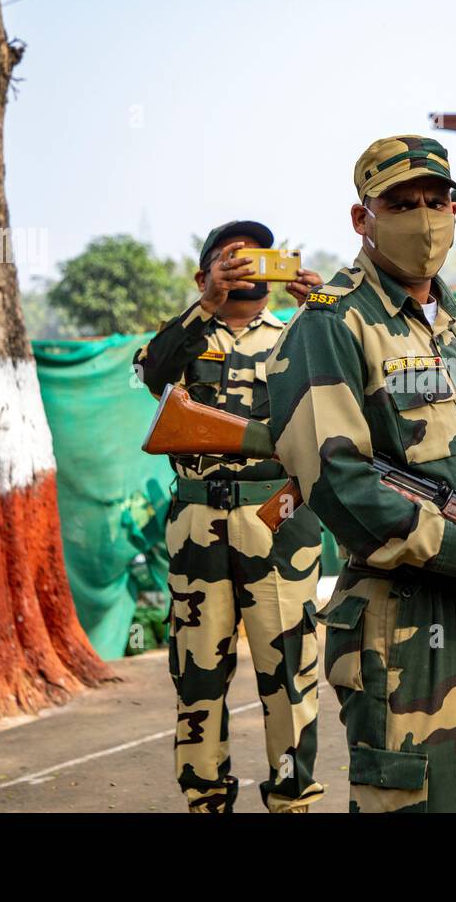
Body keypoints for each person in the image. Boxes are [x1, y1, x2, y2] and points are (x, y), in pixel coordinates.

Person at [265, 135, 456, 813]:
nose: (426, 218)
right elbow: (334, 481)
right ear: (361, 218)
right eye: (402, 204)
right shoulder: (334, 323)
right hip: (408, 616)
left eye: (439, 201)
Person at [133, 220, 326, 813]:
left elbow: (354, 386)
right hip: (198, 522)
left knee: (290, 673)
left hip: (278, 517)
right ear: (205, 275)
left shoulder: (304, 331)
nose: (244, 265)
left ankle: (294, 801)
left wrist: (321, 308)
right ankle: (206, 801)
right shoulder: (187, 336)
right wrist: (205, 306)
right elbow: (151, 372)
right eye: (228, 259)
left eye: (255, 256)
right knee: (198, 674)